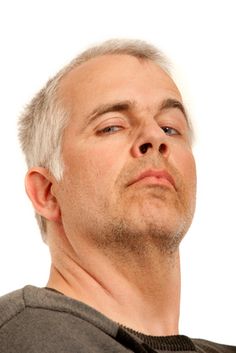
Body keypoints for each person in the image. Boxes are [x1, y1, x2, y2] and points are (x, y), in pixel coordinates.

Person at [0, 39, 234, 353]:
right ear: (47, 192)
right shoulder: (24, 337)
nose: (154, 137)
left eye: (170, 127)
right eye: (112, 127)